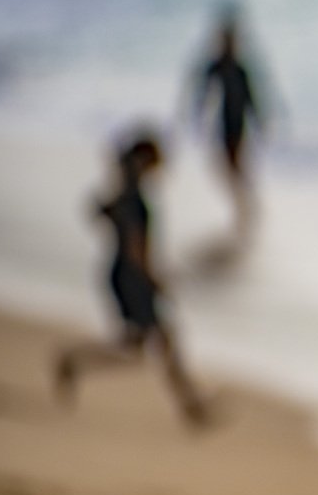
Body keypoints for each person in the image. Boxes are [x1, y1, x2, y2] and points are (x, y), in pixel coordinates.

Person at [53, 130, 210, 427]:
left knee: (137, 345)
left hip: (121, 273)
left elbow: (99, 214)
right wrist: (154, 279)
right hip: (131, 277)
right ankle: (191, 408)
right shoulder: (133, 196)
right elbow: (136, 246)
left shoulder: (123, 190)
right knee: (162, 339)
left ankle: (72, 362)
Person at [187, 5, 267, 243]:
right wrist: (197, 116)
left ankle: (246, 208)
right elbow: (202, 92)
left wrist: (259, 121)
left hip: (236, 126)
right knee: (229, 169)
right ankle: (245, 207)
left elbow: (252, 98)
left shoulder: (239, 68)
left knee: (234, 168)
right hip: (224, 125)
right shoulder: (220, 66)